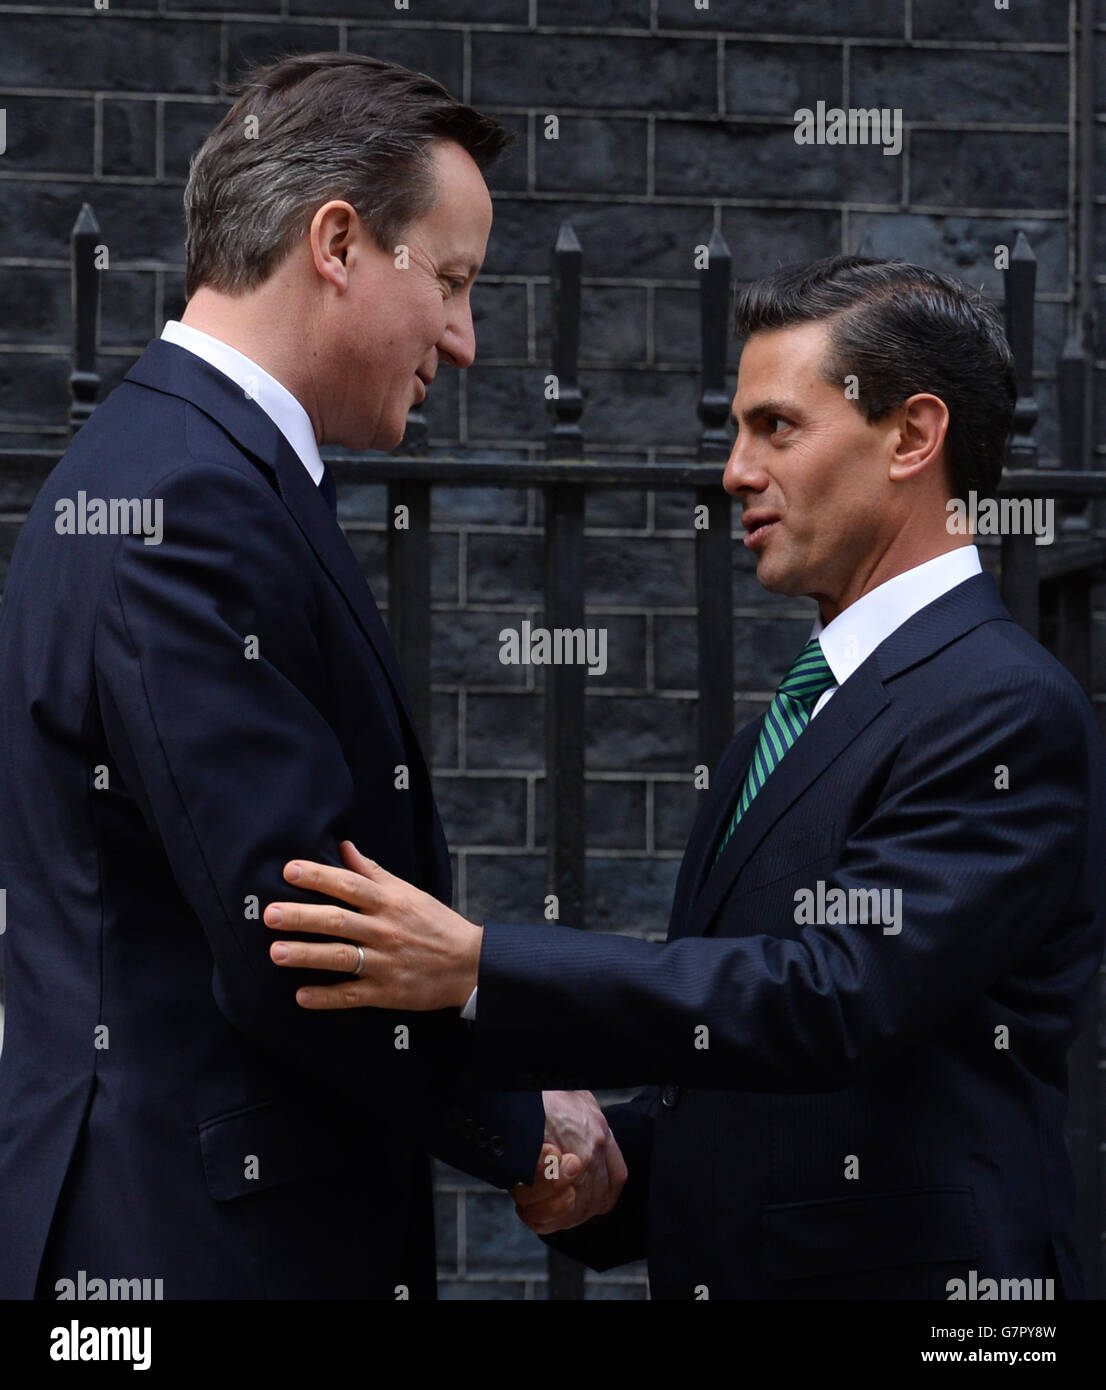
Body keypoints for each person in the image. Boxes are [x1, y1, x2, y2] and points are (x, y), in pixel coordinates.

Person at [264, 256, 1106, 1300]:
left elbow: (837, 997)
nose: (734, 473)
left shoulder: (1000, 707)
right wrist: (605, 1168)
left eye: (776, 428)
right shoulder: (792, 721)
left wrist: (480, 965)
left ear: (912, 437)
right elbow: (747, 1075)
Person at [0, 52, 620, 1302]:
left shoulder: (180, 465)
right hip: (190, 1247)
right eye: (447, 280)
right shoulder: (188, 498)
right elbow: (292, 926)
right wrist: (524, 1127)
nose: (464, 335)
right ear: (338, 243)